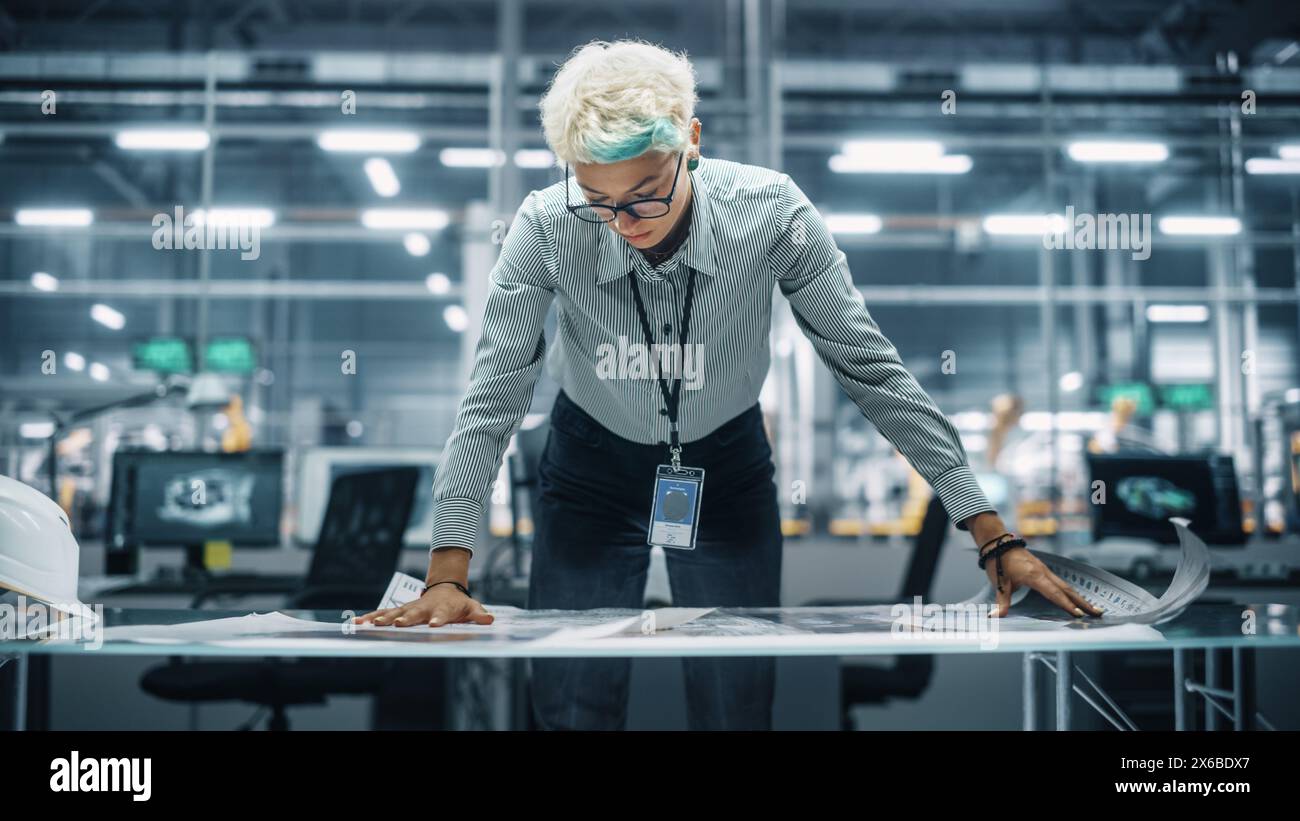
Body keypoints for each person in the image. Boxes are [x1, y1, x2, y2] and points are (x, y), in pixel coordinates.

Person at [357, 39, 1102, 729]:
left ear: (692, 143)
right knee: (572, 702)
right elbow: (494, 393)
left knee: (735, 702)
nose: (624, 221)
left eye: (646, 193)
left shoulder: (773, 212)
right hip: (588, 470)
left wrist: (990, 531)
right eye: (599, 198)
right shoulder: (547, 225)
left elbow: (870, 368)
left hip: (725, 468)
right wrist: (446, 572)